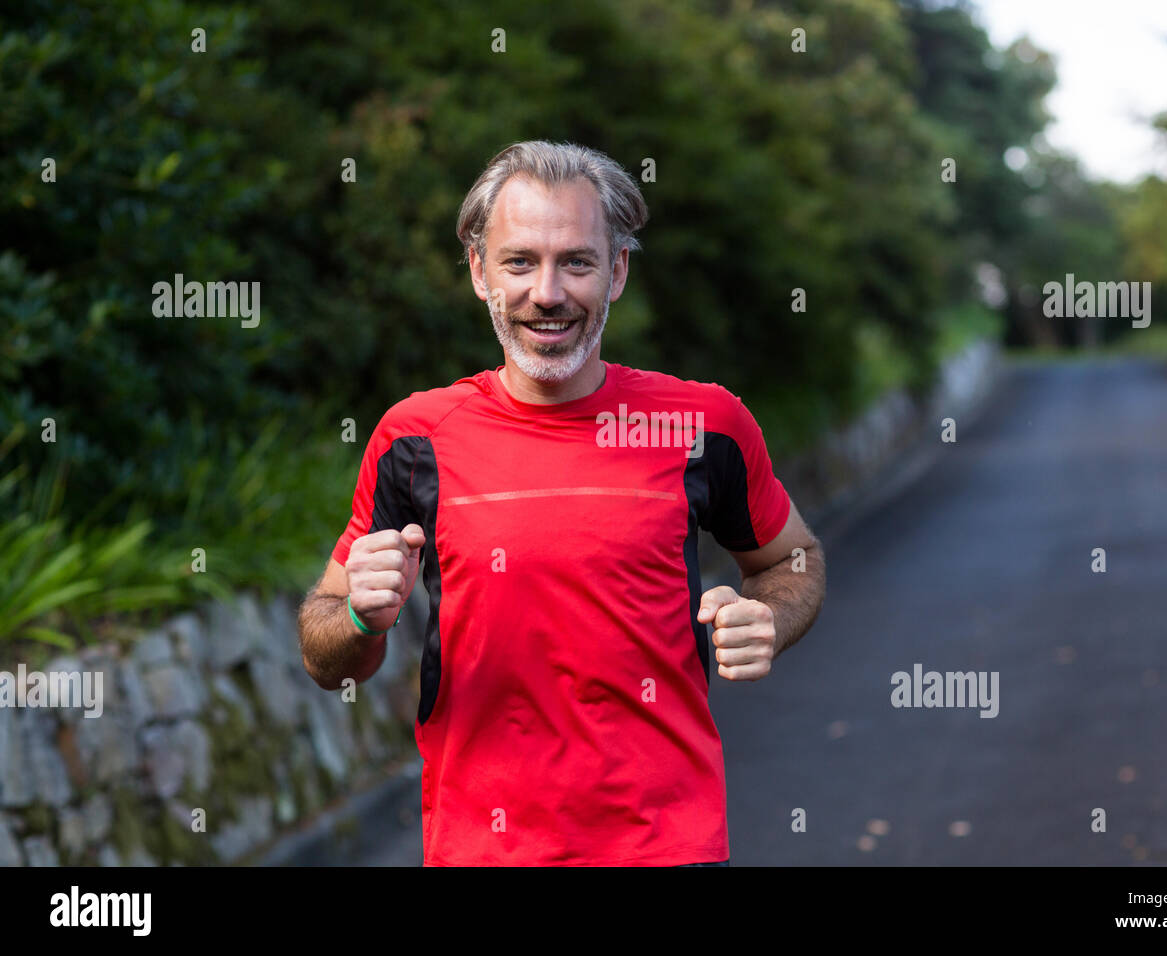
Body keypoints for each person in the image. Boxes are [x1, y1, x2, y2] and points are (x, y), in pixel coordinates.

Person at [297, 140, 826, 866]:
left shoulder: (704, 425)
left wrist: (769, 615)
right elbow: (328, 654)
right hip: (480, 850)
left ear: (617, 272)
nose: (548, 292)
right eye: (519, 261)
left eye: (576, 261)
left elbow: (792, 559)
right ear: (480, 272)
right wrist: (358, 615)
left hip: (666, 847)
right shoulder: (414, 438)